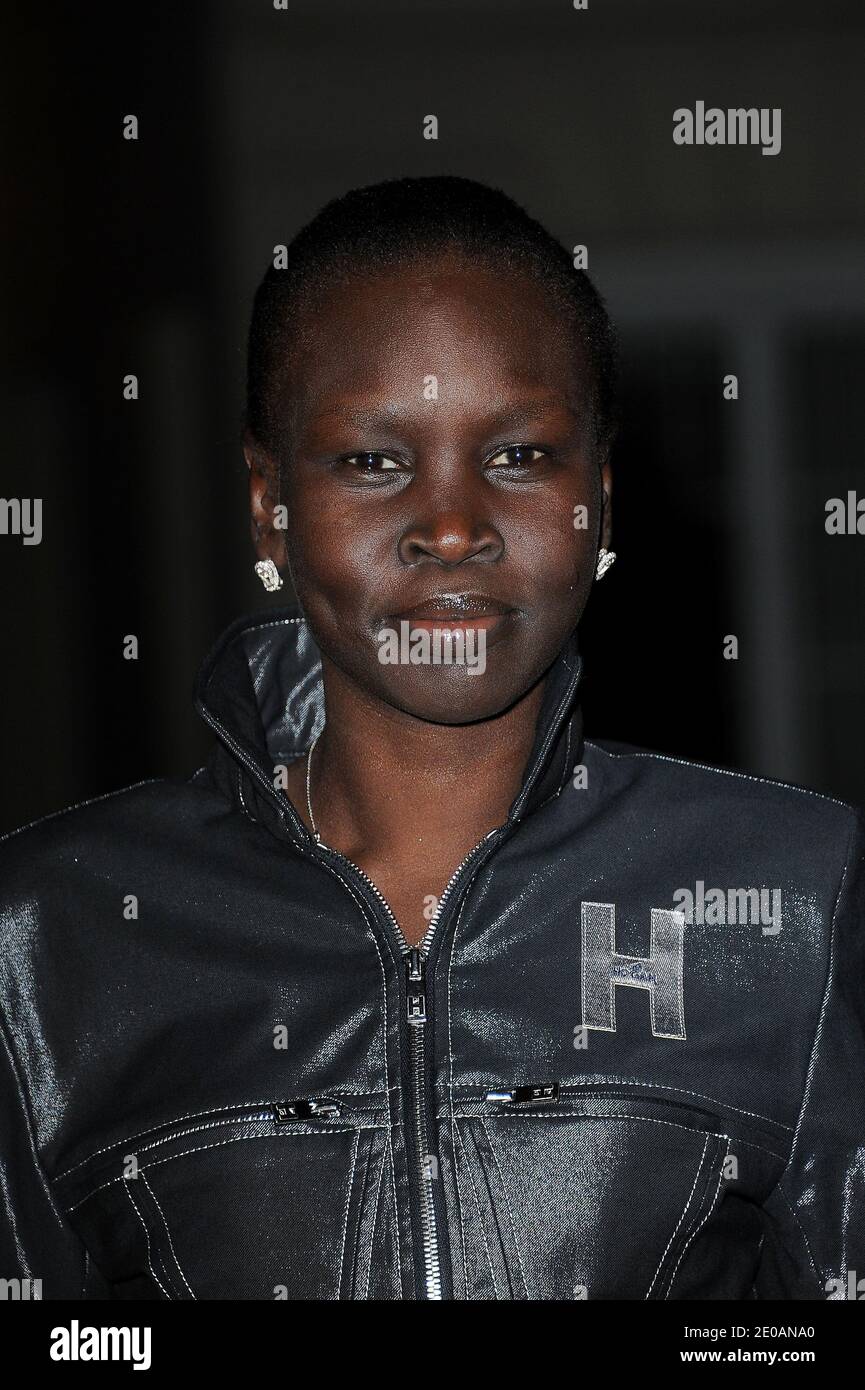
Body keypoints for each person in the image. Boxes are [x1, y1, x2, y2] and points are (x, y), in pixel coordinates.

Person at [0, 175, 862, 1302]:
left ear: (596, 495)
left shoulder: (793, 896)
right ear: (269, 503)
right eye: (372, 460)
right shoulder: (49, 936)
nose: (451, 527)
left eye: (518, 456)